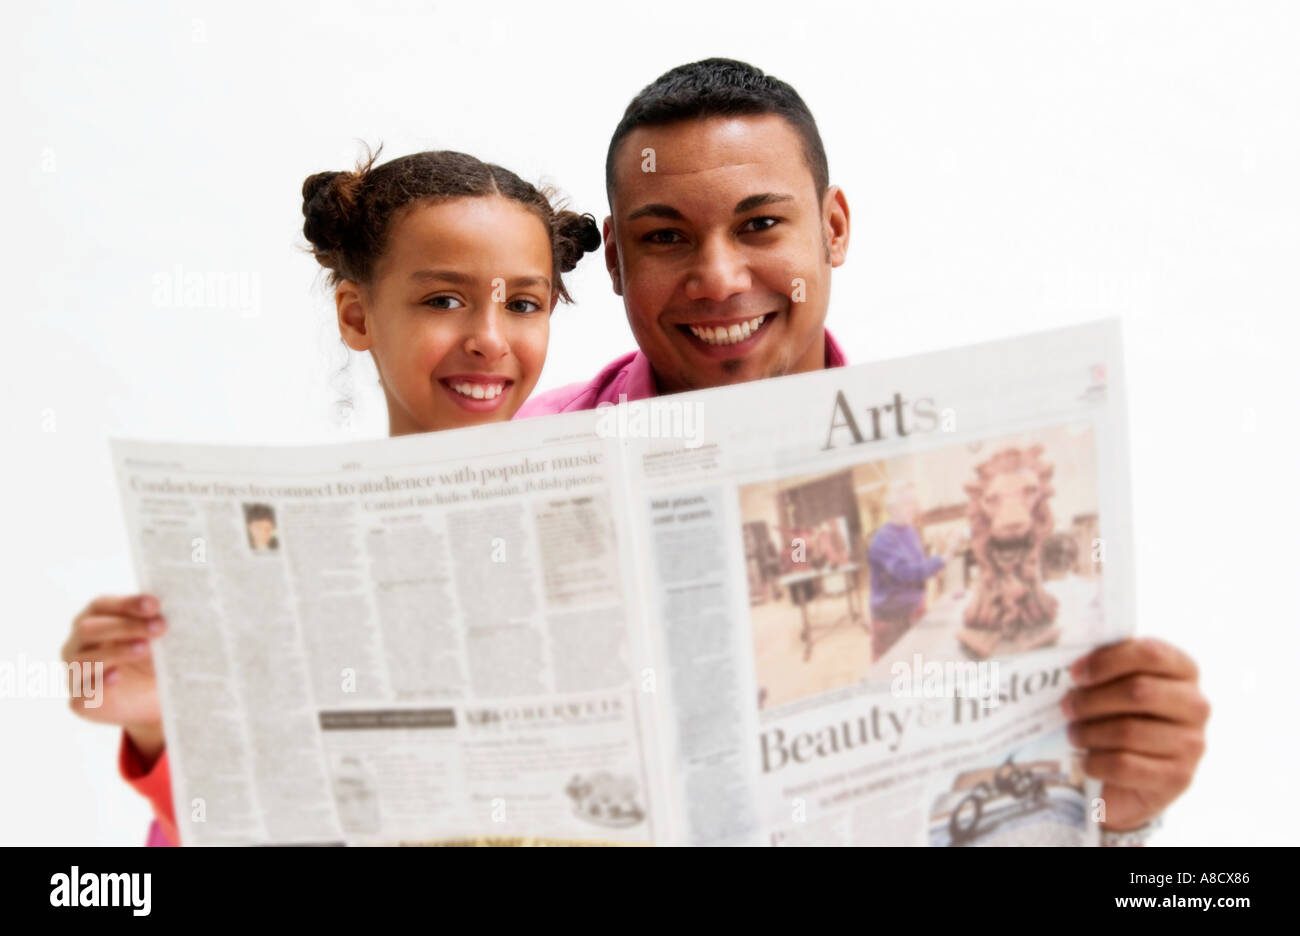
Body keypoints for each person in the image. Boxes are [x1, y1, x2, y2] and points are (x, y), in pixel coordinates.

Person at [517, 57, 1208, 840]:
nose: (717, 279)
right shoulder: (515, 459)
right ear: (615, 260)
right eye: (666, 237)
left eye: (760, 225)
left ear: (833, 228)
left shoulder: (947, 446)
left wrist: (1120, 814)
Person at [61, 147, 601, 846]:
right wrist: (158, 725)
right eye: (443, 300)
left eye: (524, 304)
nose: (489, 340)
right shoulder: (270, 564)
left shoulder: (603, 517)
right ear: (356, 316)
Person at [866, 482, 958, 659]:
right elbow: (906, 573)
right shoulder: (883, 539)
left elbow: (920, 565)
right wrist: (943, 559)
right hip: (891, 618)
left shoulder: (911, 531)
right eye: (907, 503)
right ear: (891, 507)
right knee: (890, 669)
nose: (914, 508)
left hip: (914, 608)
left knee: (919, 659)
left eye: (914, 502)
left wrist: (941, 556)